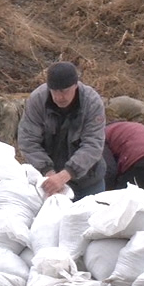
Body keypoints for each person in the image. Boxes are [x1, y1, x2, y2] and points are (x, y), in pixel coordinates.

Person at [16, 62, 108, 201]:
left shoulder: (92, 103)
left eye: (64, 91)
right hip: (48, 180)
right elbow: (28, 140)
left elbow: (93, 144)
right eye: (54, 91)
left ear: (75, 85)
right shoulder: (37, 100)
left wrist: (66, 175)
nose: (59, 97)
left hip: (88, 181)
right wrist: (48, 172)